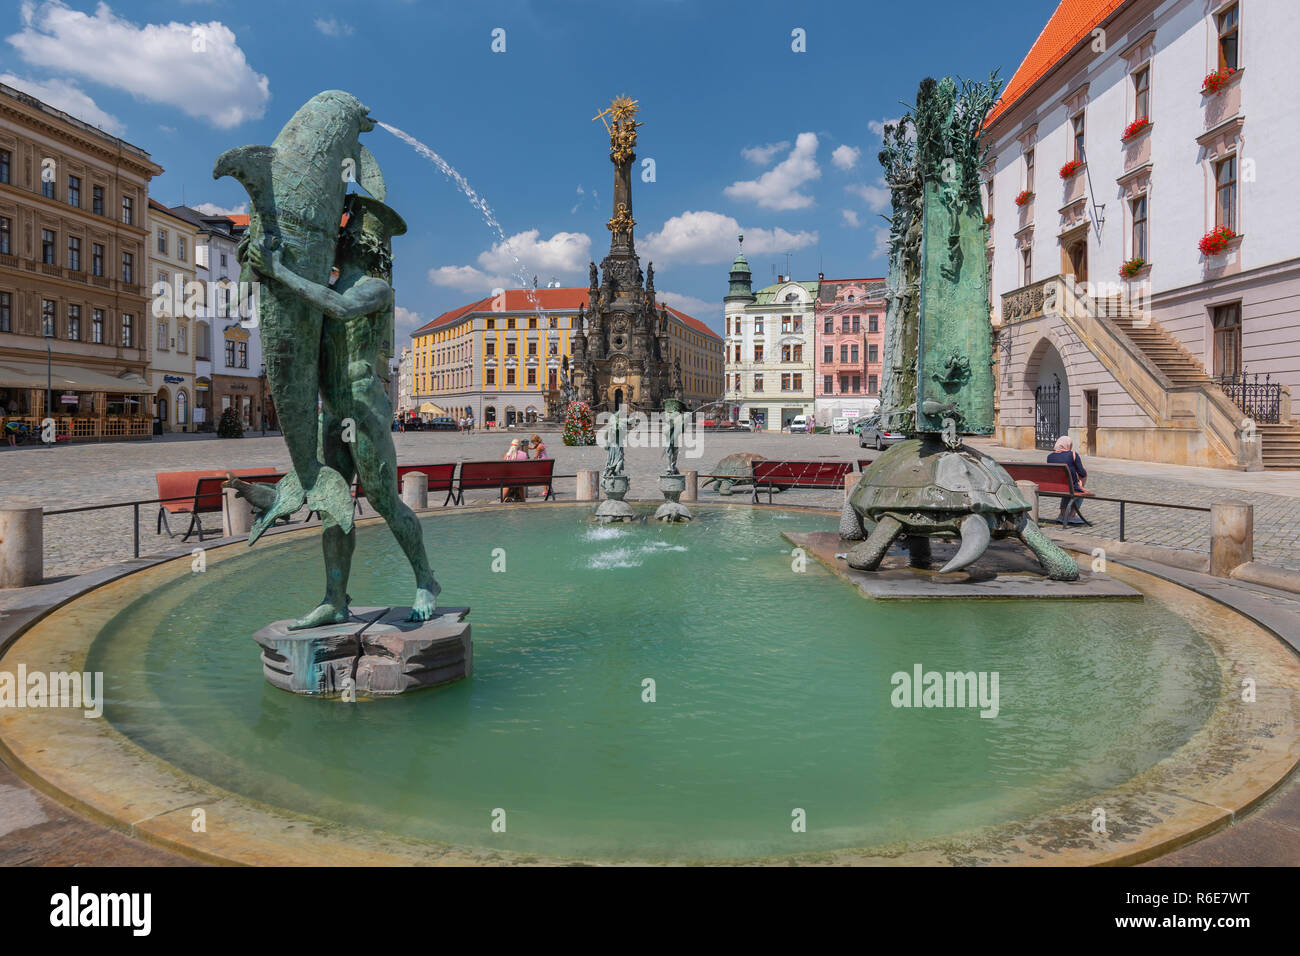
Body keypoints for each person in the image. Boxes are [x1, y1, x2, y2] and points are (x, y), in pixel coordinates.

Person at [237, 193, 440, 627]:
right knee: (333, 504)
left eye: (345, 232)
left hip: (365, 406)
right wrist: (256, 259)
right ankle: (335, 598)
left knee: (386, 501)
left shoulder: (375, 288)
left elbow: (341, 308)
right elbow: (297, 311)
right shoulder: (323, 287)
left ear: (363, 246)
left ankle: (426, 579)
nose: (339, 235)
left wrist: (279, 271)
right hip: (332, 409)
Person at [1047, 435, 1090, 526]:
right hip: (1070, 487)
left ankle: (1062, 515)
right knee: (1077, 490)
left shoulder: (1050, 456)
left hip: (1056, 487)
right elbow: (1082, 473)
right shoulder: (1072, 454)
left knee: (1066, 487)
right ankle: (1072, 515)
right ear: (1068, 445)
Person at [502, 437, 528, 501]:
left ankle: (502, 500)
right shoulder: (524, 454)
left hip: (509, 479)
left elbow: (502, 467)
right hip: (520, 479)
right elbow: (527, 467)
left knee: (507, 483)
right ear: (519, 447)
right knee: (519, 483)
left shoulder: (507, 455)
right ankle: (523, 500)